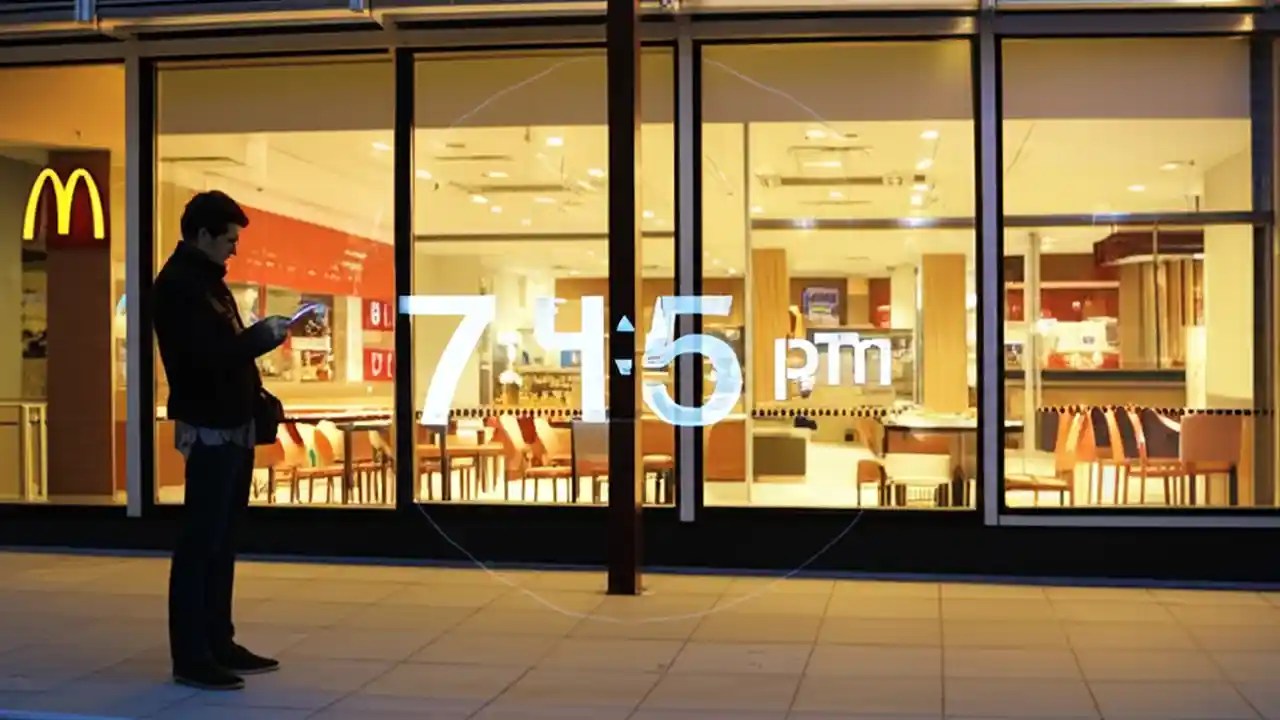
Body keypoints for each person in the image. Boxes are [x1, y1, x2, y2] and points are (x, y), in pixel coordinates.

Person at [153, 191, 291, 691]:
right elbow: (204, 358)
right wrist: (260, 338)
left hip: (232, 425)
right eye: (229, 239)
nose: (234, 250)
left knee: (223, 540)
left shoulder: (210, 283)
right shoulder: (177, 288)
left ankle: (218, 639)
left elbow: (223, 354)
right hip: (209, 428)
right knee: (200, 543)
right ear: (204, 235)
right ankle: (191, 654)